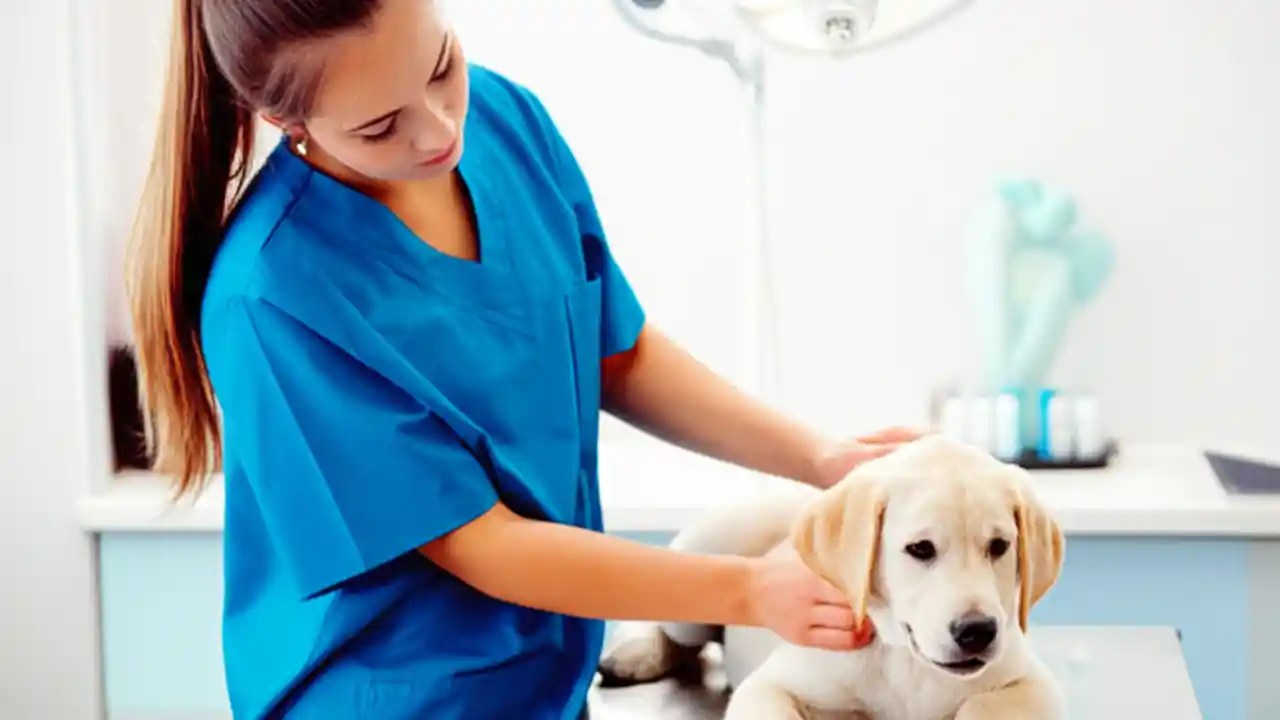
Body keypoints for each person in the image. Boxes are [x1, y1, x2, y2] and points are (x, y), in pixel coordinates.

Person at [126, 0, 919, 717]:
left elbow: (619, 354)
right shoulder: (273, 298)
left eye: (442, 66)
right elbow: (483, 543)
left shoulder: (508, 125)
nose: (438, 130)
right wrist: (750, 590)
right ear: (281, 116)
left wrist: (823, 458)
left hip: (545, 686)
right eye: (380, 127)